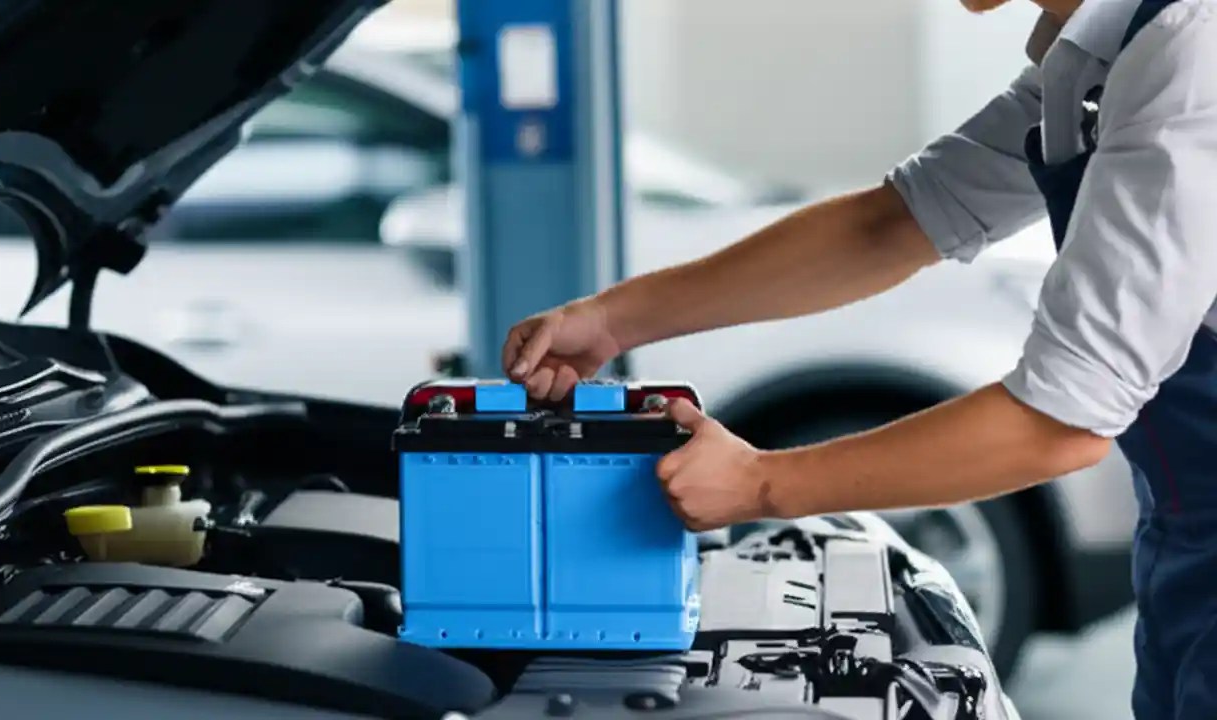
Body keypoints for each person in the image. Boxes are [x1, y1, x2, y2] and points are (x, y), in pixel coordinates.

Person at [501, 0, 1217, 717]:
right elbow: (892, 224)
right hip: (1187, 548)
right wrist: (612, 321)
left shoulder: (1192, 60)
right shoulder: (1094, 55)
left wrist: (761, 484)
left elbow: (1060, 424)